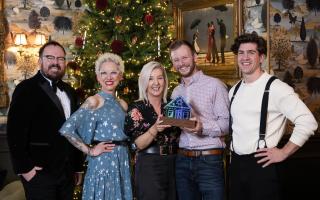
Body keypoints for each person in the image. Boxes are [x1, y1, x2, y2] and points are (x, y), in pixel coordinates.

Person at [228, 33, 318, 200]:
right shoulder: (234, 90)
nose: (245, 57)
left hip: (263, 166)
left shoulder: (277, 88)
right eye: (241, 53)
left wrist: (283, 152)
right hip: (237, 166)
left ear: (261, 57)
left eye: (251, 52)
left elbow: (308, 122)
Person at [7, 41, 83, 200]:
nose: (55, 62)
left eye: (60, 58)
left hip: (67, 173)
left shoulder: (69, 91)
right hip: (39, 173)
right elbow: (15, 133)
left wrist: (77, 167)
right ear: (40, 61)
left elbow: (75, 131)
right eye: (50, 57)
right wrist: (26, 170)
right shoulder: (25, 89)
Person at [59, 53, 132, 200]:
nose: (108, 77)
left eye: (113, 72)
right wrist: (90, 151)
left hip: (122, 162)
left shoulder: (123, 104)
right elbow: (67, 129)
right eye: (103, 73)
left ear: (121, 76)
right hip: (102, 163)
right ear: (98, 77)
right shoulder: (94, 101)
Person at [169, 40, 230, 200]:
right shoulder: (176, 92)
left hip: (209, 160)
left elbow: (226, 124)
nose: (181, 63)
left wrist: (201, 127)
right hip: (182, 161)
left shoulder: (215, 85)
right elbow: (178, 124)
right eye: (176, 60)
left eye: (184, 58)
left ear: (195, 57)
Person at [125, 61, 179, 200]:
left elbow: (188, 129)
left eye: (160, 78)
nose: (156, 83)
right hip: (150, 165)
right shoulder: (136, 108)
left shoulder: (172, 107)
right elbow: (139, 145)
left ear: (165, 81)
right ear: (144, 82)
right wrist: (155, 128)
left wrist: (193, 121)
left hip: (175, 165)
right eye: (150, 78)